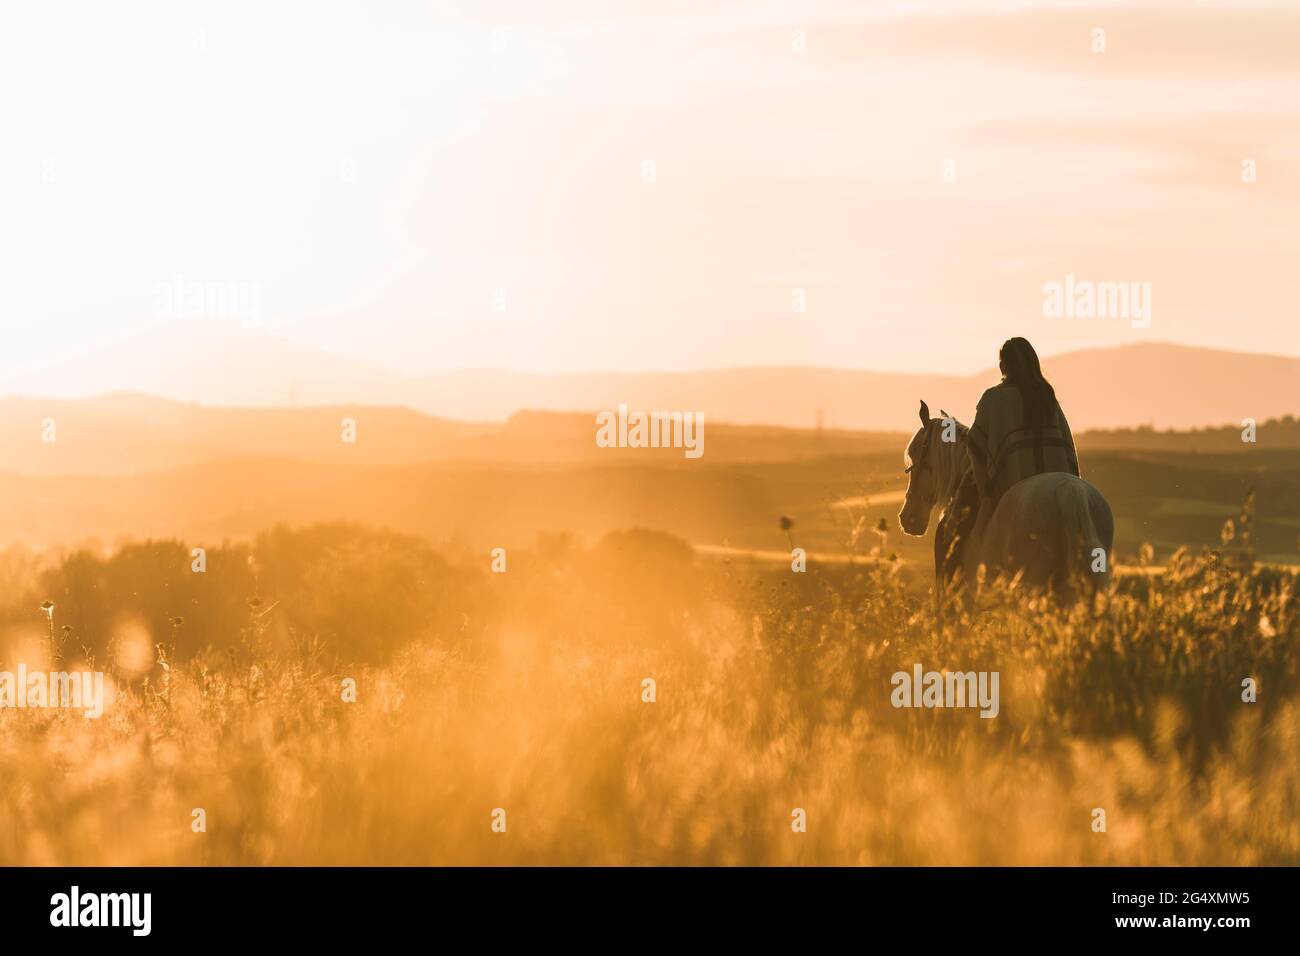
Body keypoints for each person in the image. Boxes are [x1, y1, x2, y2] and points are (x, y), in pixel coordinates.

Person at [940, 337, 1080, 589]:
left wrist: (986, 493)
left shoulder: (993, 398)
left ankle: (955, 587)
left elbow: (975, 447)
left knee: (957, 529)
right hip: (1060, 489)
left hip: (1012, 486)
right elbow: (1067, 449)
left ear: (1003, 366)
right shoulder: (1048, 397)